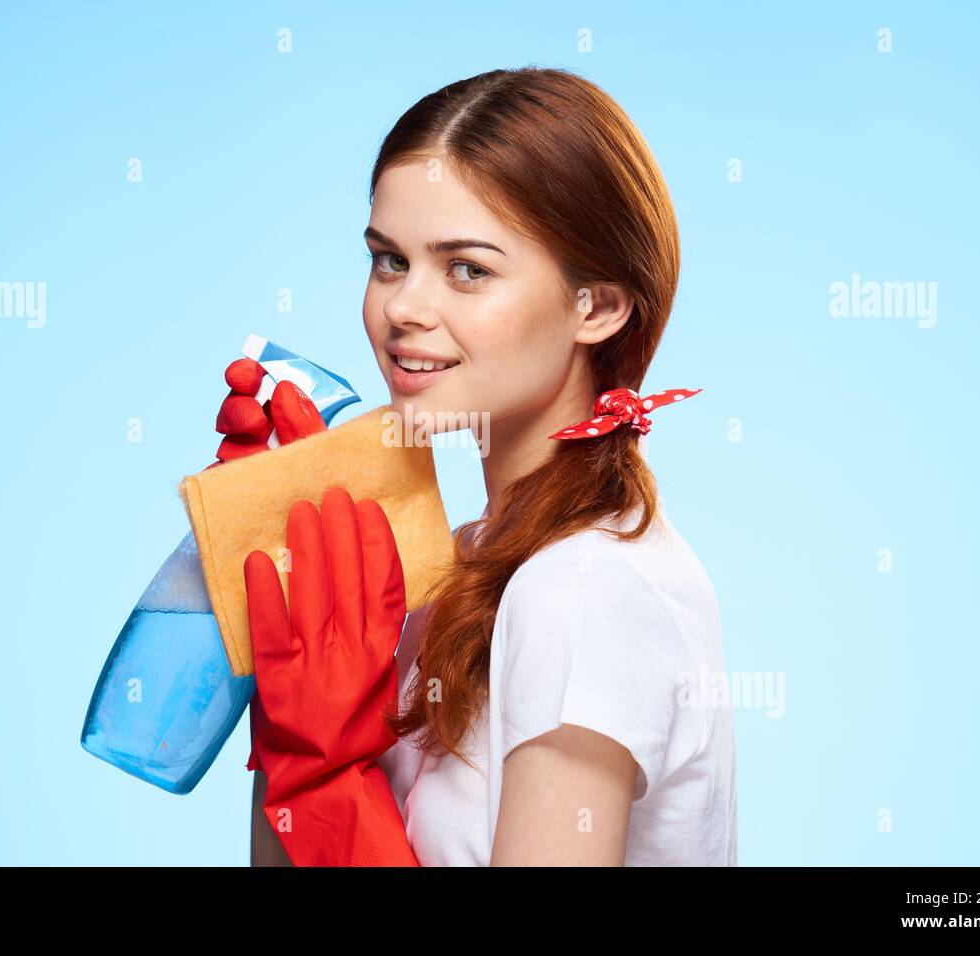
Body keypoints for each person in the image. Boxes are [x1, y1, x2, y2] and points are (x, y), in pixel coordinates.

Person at [247, 66, 737, 866]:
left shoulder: (588, 587)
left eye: (467, 269)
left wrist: (330, 779)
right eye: (389, 260)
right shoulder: (451, 576)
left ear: (598, 306)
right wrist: (288, 722)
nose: (404, 308)